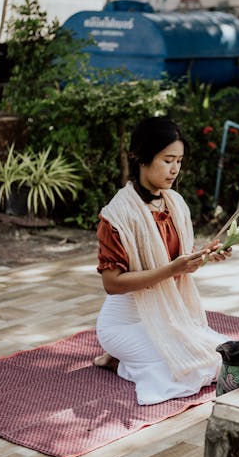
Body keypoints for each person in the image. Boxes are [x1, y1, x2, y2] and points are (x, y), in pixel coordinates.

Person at [94, 116, 231, 405]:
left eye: (179, 161)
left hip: (165, 315)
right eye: (167, 160)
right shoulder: (117, 214)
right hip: (124, 323)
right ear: (141, 157)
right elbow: (112, 283)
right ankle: (119, 361)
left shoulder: (175, 203)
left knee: (224, 355)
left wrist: (207, 255)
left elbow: (180, 262)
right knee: (184, 372)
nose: (174, 169)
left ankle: (128, 361)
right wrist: (172, 269)